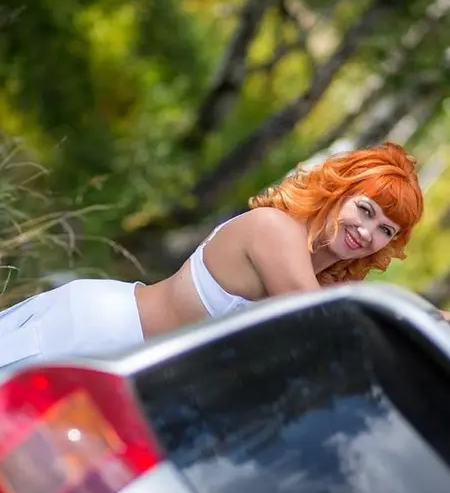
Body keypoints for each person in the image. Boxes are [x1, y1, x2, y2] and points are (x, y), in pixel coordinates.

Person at [0, 141, 440, 373]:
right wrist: (425, 321)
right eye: (365, 210)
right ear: (337, 191)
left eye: (386, 230)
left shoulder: (321, 281)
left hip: (127, 368)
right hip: (97, 330)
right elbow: (332, 325)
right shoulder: (274, 230)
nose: (367, 232)